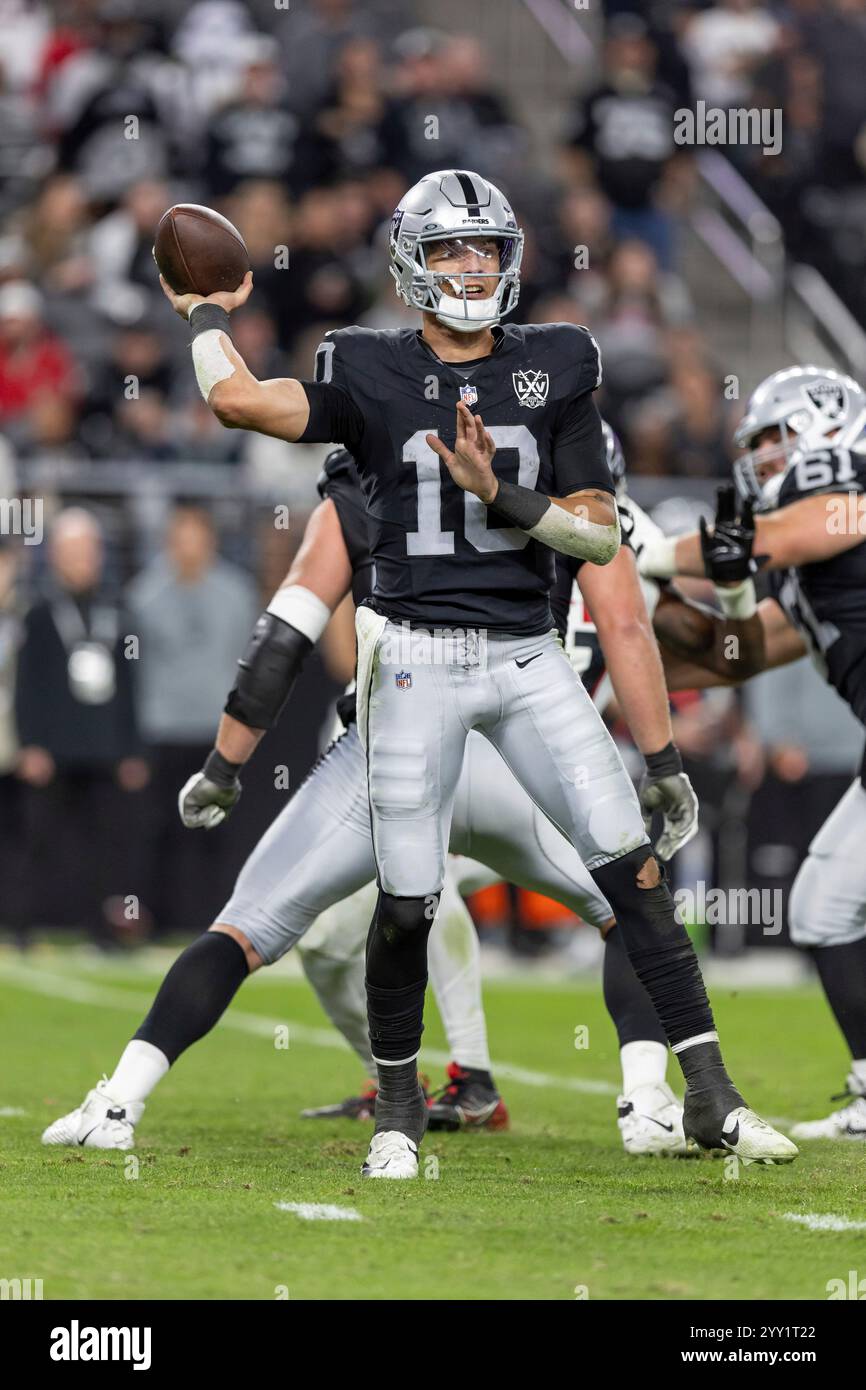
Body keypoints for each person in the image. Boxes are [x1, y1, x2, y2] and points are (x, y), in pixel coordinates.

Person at [155, 166, 795, 1177]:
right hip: (410, 658)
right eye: (450, 248)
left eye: (485, 247)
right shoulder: (365, 365)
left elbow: (594, 536)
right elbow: (239, 401)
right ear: (412, 263)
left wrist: (502, 494)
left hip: (529, 658)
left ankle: (711, 1097)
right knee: (408, 900)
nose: (470, 264)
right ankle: (400, 1115)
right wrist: (201, 311)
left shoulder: (557, 361)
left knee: (633, 876)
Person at [42, 432, 697, 1160]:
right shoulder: (601, 518)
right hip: (523, 753)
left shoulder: (371, 480)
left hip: (399, 745)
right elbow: (644, 631)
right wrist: (662, 756)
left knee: (249, 927)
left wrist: (224, 767)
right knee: (629, 912)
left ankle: (120, 1102)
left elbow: (282, 639)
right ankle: (646, 1101)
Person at [638, 364, 866, 1143]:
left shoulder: (845, 506)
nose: (761, 457)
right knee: (823, 907)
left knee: (825, 904)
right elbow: (729, 655)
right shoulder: (804, 570)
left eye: (772, 438)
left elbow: (776, 534)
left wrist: (644, 550)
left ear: (824, 428)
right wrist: (644, 617)